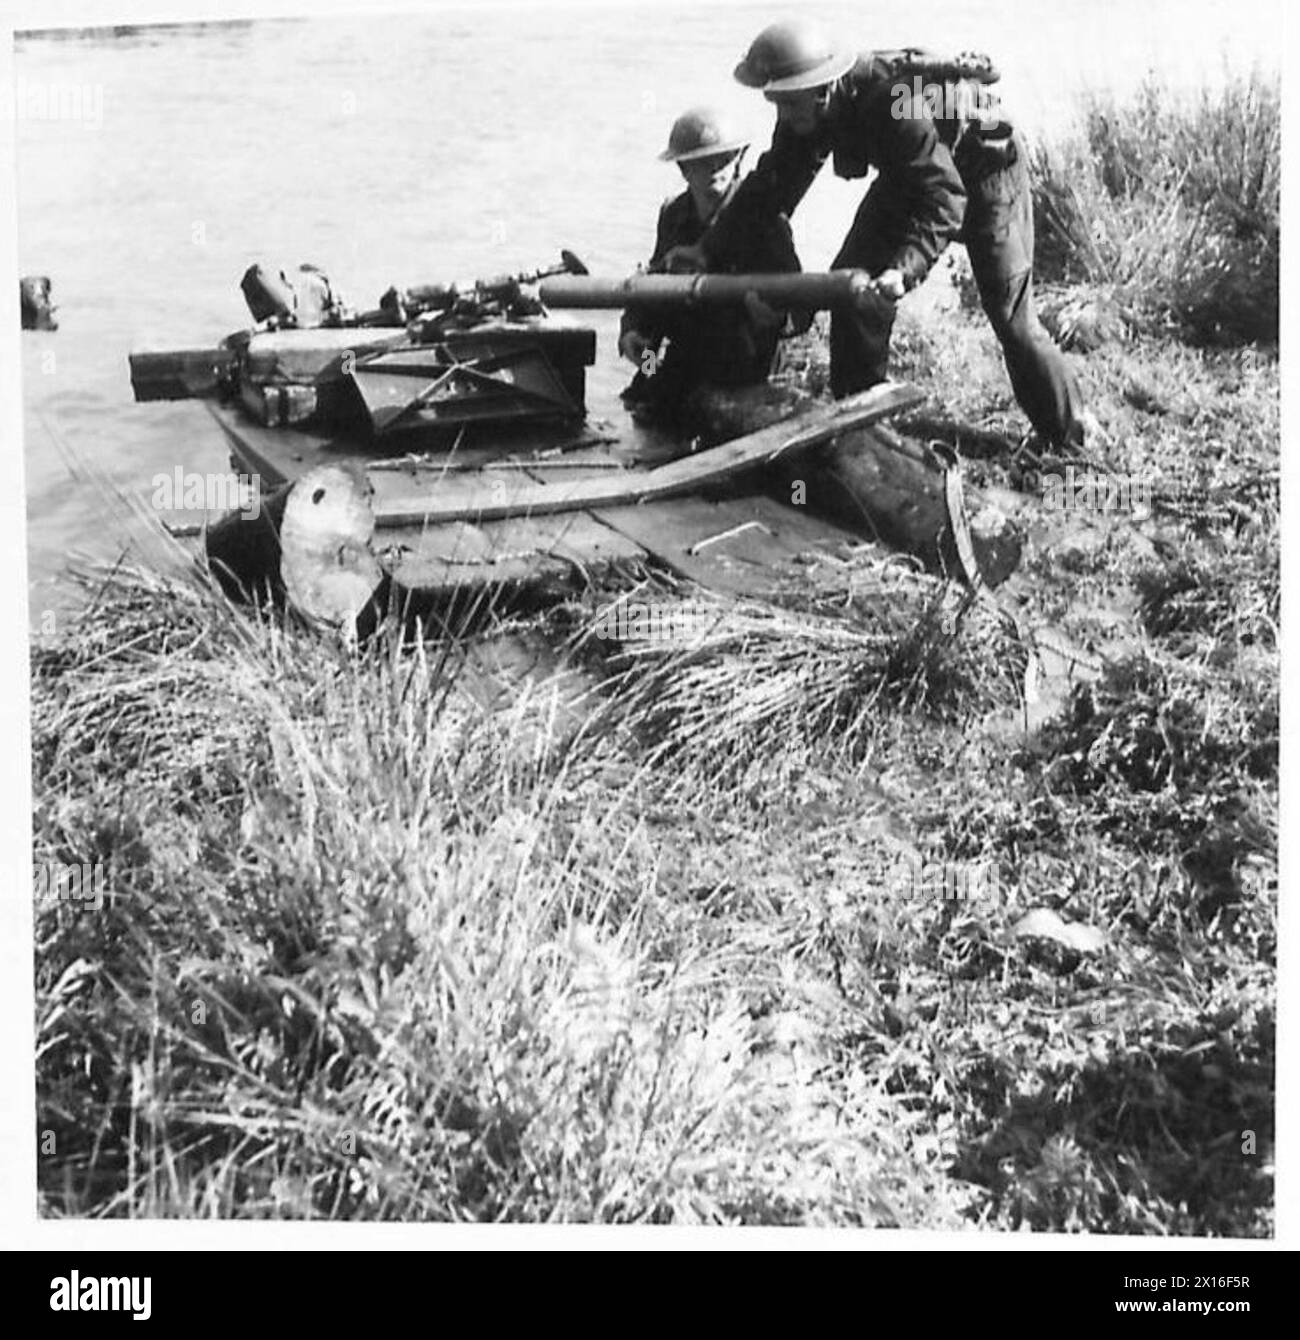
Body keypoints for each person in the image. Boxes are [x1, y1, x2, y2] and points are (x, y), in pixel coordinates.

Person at [666, 20, 1086, 451]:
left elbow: (945, 198)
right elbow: (773, 186)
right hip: (912, 177)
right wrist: (707, 248)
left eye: (790, 105)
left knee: (1011, 317)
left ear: (822, 91)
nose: (784, 117)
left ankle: (1073, 435)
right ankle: (860, 423)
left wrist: (904, 270)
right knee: (852, 287)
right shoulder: (807, 106)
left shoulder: (894, 102)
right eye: (778, 104)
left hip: (987, 175)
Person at [618, 106, 805, 419]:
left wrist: (775, 318)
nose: (716, 169)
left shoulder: (764, 219)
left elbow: (800, 301)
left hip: (743, 359)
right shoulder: (674, 214)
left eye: (726, 158)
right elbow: (653, 285)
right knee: (642, 393)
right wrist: (632, 331)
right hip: (685, 350)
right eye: (703, 163)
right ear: (684, 169)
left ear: (739, 161)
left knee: (724, 417)